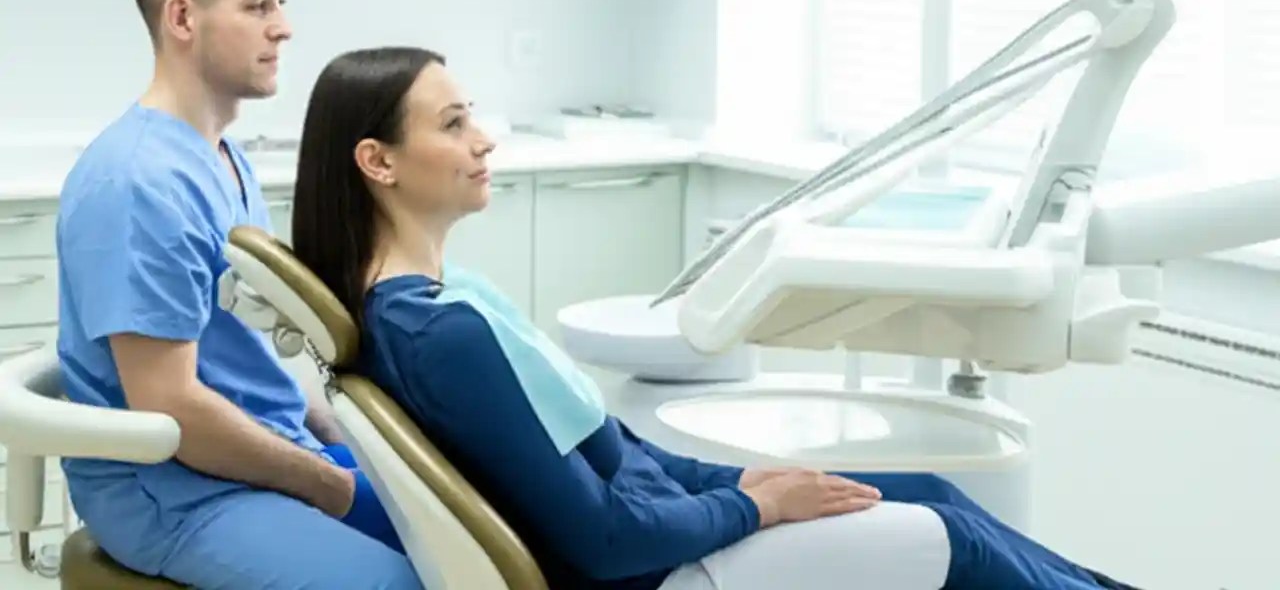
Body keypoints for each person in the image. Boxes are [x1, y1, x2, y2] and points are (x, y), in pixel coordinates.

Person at [289, 46, 1143, 590]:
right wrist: (757, 510)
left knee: (929, 492)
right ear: (378, 161)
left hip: (669, 529)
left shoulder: (435, 306)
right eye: (453, 122)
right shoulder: (444, 335)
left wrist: (740, 481)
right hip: (658, 570)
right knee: (955, 539)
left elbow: (616, 455)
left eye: (472, 114)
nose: (484, 139)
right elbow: (604, 539)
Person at [54, 0, 422, 589]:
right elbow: (174, 408)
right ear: (183, 19)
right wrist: (330, 485)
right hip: (175, 492)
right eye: (258, 6)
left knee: (475, 538)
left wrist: (344, 439)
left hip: (256, 453)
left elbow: (246, 356)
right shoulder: (139, 184)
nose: (283, 26)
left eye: (280, 3)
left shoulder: (222, 158)